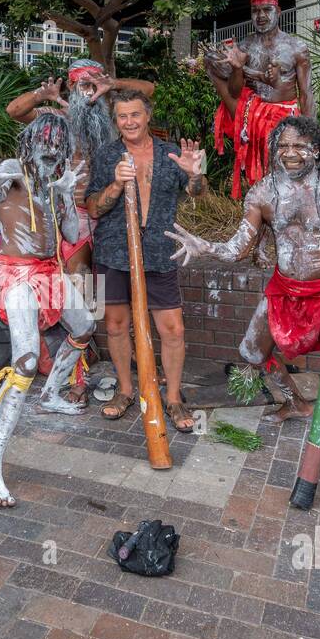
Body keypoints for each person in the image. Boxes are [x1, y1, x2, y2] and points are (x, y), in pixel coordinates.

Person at [166, 117, 320, 514]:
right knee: (250, 353)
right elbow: (238, 248)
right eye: (283, 146)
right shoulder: (264, 192)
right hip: (284, 292)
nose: (290, 153)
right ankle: (297, 401)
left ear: (317, 149)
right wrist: (205, 246)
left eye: (300, 146)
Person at [6, 59, 154, 402]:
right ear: (70, 89)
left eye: (92, 84)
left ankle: (129, 357)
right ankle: (78, 375)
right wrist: (41, 94)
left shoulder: (116, 120)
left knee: (120, 288)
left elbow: (149, 92)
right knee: (81, 283)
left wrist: (112, 84)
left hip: (113, 215)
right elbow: (14, 110)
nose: (88, 91)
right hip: (70, 217)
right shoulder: (57, 121)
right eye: (80, 85)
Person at [0, 113, 94, 508]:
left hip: (49, 271)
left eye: (57, 141)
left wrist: (66, 198)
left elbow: (73, 235)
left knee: (86, 324)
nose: (50, 147)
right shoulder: (14, 169)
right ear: (29, 141)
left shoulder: (57, 180)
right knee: (23, 363)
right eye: (43, 138)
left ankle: (52, 393)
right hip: (18, 277)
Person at [85, 88, 207, 434]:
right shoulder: (107, 155)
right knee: (116, 326)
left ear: (147, 116)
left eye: (135, 115)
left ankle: (171, 397)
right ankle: (125, 391)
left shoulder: (170, 154)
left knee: (173, 329)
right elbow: (93, 206)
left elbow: (197, 193)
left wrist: (195, 174)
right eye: (122, 116)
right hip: (113, 251)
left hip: (159, 250)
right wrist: (114, 185)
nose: (129, 122)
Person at [203, 0, 315, 198]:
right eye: (255, 11)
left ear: (278, 12)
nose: (260, 15)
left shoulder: (297, 47)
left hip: (283, 116)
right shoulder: (245, 46)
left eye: (266, 10)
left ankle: (289, 208)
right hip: (252, 113)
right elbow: (235, 91)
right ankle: (263, 210)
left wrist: (310, 134)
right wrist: (238, 69)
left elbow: (306, 93)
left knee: (285, 170)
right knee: (210, 61)